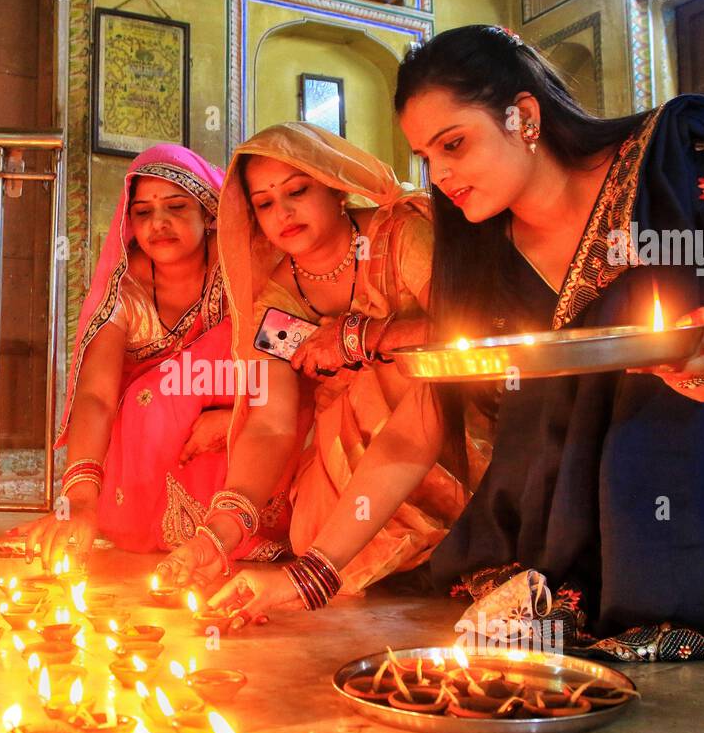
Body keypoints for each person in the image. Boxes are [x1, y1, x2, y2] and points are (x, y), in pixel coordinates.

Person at [211, 25, 704, 661]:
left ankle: (677, 597)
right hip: (589, 437)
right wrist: (313, 574)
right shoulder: (484, 249)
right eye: (427, 159)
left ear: (523, 116)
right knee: (527, 389)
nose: (440, 177)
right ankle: (573, 584)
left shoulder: (669, 170)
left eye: (455, 144)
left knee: (657, 346)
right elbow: (421, 422)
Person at [158, 122, 489, 594]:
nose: (283, 212)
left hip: (450, 409)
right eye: (265, 203)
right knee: (308, 532)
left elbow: (474, 330)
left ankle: (457, 532)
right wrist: (218, 533)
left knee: (404, 368)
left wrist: (361, 337)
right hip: (360, 438)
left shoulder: (398, 235)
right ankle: (393, 551)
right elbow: (271, 424)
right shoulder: (274, 303)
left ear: (336, 187)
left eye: (297, 190)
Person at [14, 144, 286, 567]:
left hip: (260, 413)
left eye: (176, 207)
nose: (159, 223)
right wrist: (80, 497)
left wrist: (234, 415)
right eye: (143, 212)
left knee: (241, 349)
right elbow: (97, 396)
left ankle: (244, 526)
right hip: (159, 448)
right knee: (148, 400)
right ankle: (183, 530)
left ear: (208, 212)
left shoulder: (247, 264)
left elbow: (291, 346)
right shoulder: (124, 291)